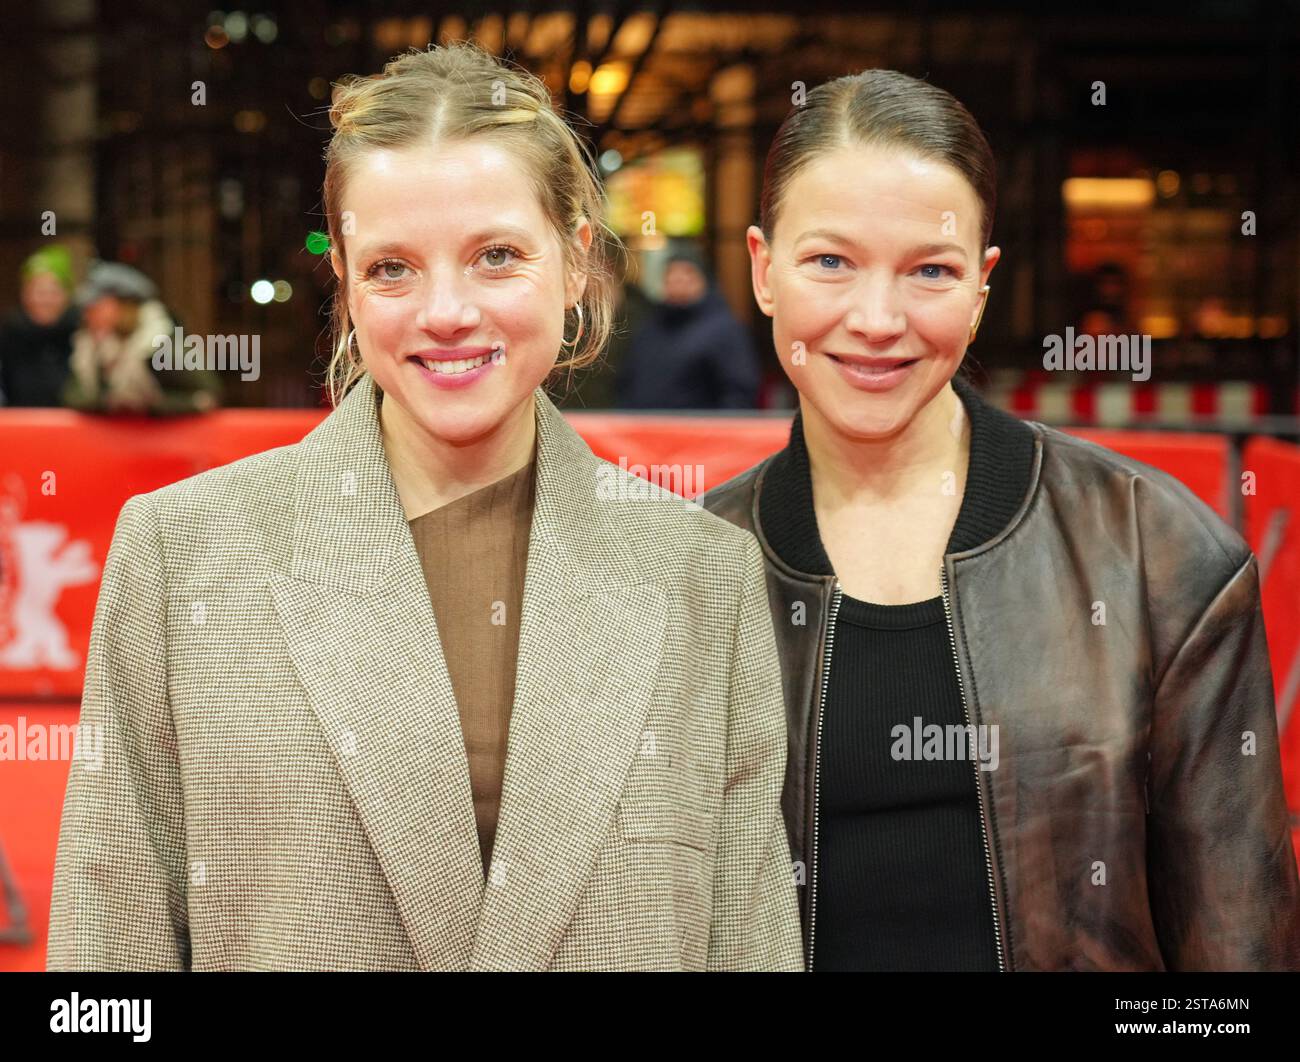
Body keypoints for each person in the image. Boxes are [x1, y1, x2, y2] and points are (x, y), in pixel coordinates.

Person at [46, 41, 802, 972]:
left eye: (495, 256)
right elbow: (107, 946)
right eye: (393, 268)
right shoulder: (183, 556)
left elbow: (750, 944)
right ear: (349, 283)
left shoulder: (703, 576)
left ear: (574, 265)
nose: (445, 311)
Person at [703, 68, 1300, 971]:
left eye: (930, 271)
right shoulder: (688, 571)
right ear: (762, 269)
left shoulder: (1158, 553)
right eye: (830, 261)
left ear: (982, 286)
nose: (877, 319)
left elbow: (1239, 954)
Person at [64, 261, 221, 415]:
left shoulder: (161, 345)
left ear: (124, 305)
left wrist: (151, 405)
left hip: (169, 438)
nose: (88, 314)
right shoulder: (92, 347)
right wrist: (108, 403)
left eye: (96, 306)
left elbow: (206, 396)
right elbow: (73, 395)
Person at [616, 246, 761, 409]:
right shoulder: (649, 328)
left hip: (701, 432)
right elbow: (628, 381)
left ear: (704, 280)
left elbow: (738, 394)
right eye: (671, 274)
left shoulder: (724, 330)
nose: (678, 280)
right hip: (642, 430)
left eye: (687, 273)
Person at [0, 246, 79, 406]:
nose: (44, 300)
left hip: (75, 428)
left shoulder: (82, 336)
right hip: (18, 427)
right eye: (37, 291)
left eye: (53, 292)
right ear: (24, 294)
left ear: (67, 294)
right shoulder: (8, 336)